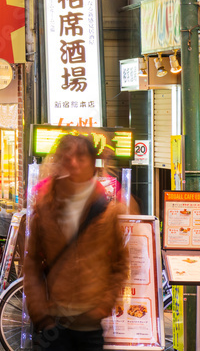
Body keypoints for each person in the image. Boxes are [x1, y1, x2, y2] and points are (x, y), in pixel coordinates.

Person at [23, 134, 129, 351]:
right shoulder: (45, 207)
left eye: (80, 157)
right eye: (67, 157)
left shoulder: (107, 211)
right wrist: (41, 313)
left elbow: (120, 263)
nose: (73, 163)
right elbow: (32, 263)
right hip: (52, 322)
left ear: (92, 164)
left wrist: (103, 306)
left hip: (90, 324)